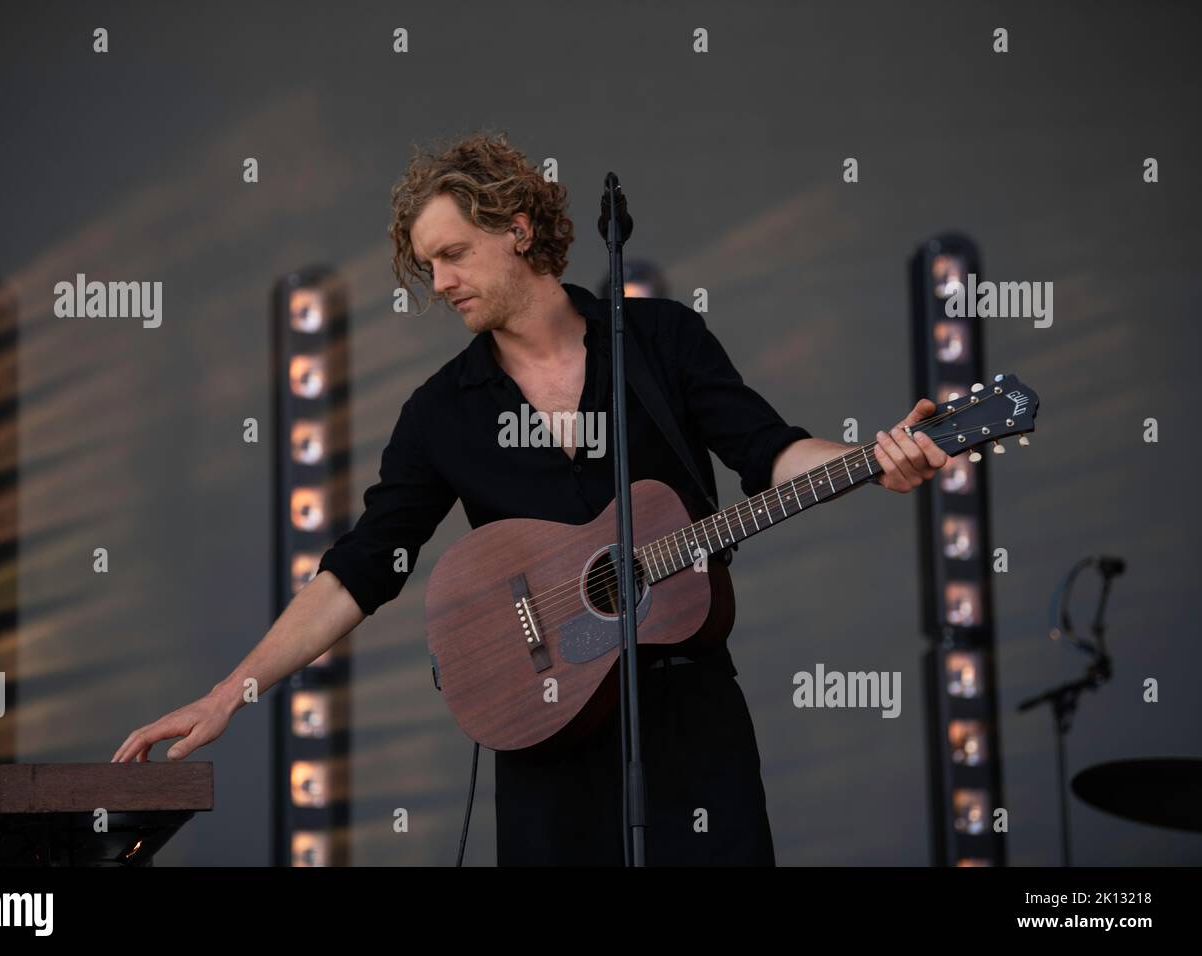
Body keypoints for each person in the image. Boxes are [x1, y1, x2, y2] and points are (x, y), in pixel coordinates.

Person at [112, 131, 951, 865]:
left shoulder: (659, 342)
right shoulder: (443, 412)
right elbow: (359, 571)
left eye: (454, 255)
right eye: (426, 264)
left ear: (518, 230)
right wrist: (229, 695)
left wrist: (873, 459)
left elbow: (772, 456)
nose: (438, 283)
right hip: (544, 735)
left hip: (691, 722)